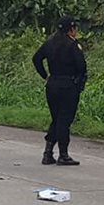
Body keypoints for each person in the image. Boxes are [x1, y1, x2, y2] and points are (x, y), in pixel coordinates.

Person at [32, 15, 87, 166]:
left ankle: (48, 152)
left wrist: (45, 75)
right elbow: (81, 66)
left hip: (53, 83)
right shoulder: (72, 45)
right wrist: (79, 82)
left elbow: (36, 58)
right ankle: (63, 154)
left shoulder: (50, 42)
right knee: (64, 120)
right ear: (72, 29)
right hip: (68, 84)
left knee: (56, 119)